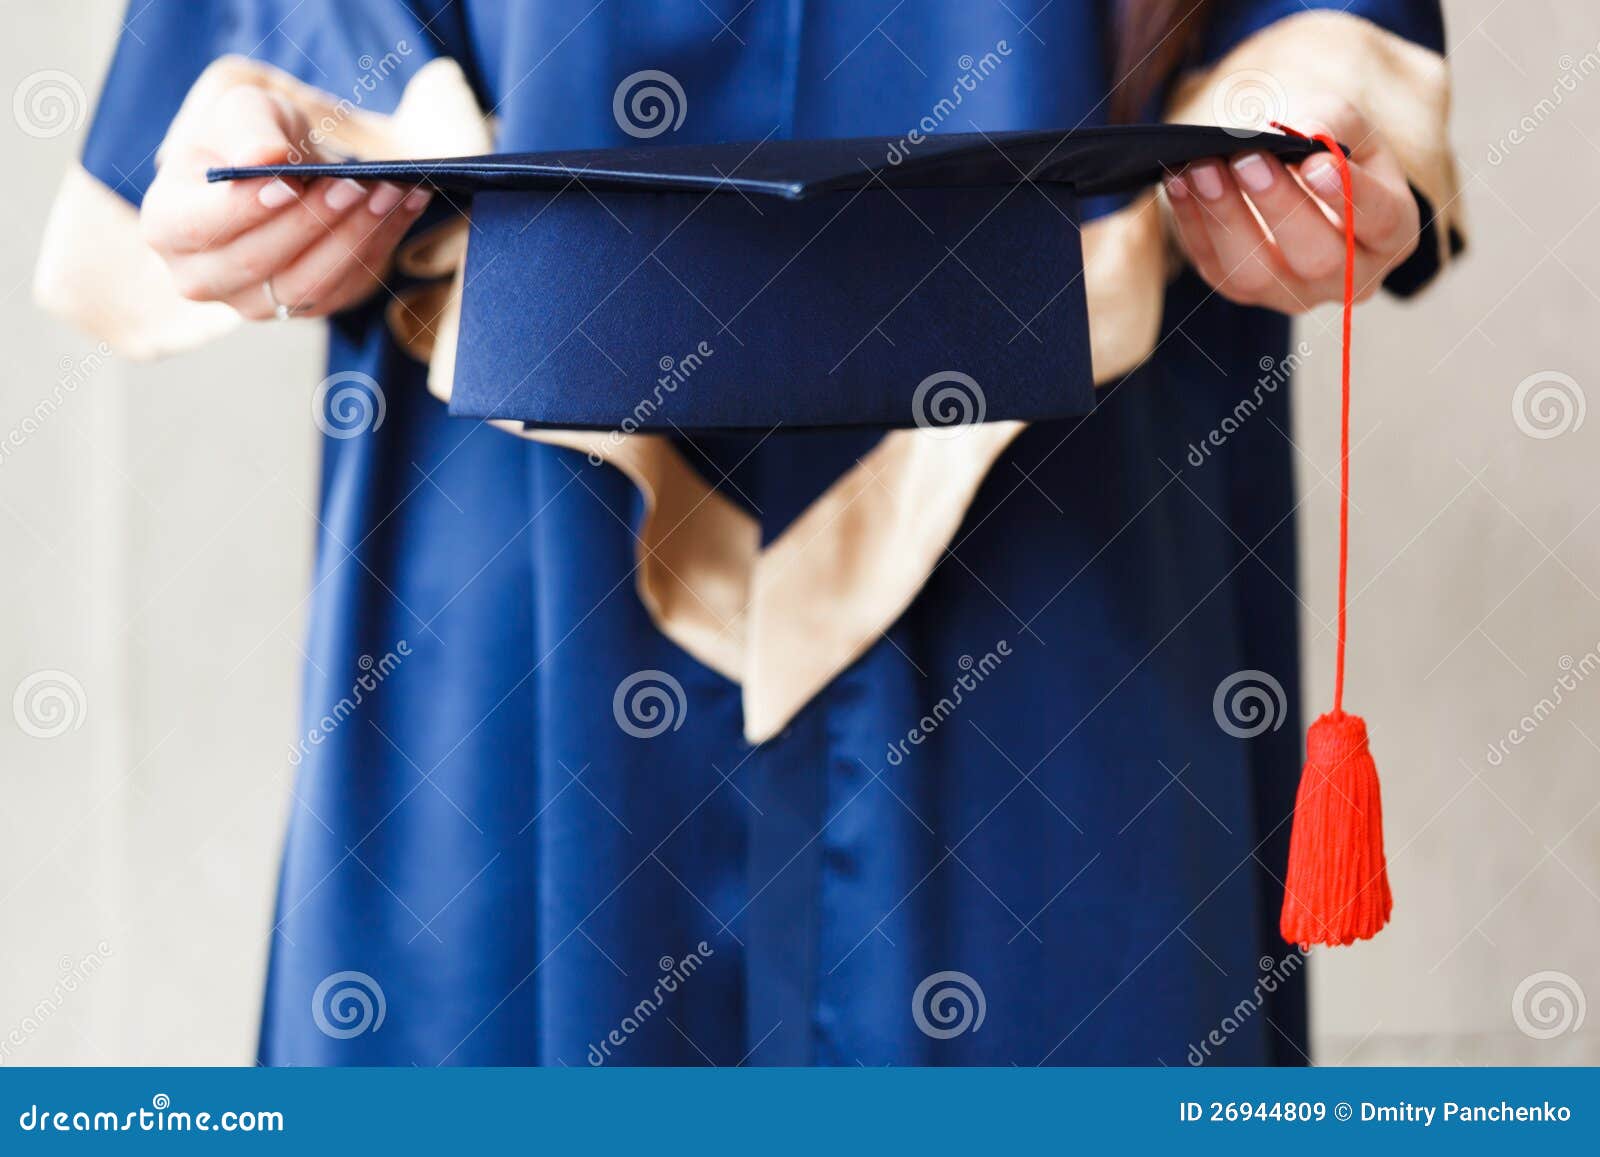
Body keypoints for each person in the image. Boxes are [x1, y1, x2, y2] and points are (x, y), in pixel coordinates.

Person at [36, 0, 1460, 1065]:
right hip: (518, 453)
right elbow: (299, 42)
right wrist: (314, 111)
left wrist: (1304, 101)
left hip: (1068, 456)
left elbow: (1309, 34)